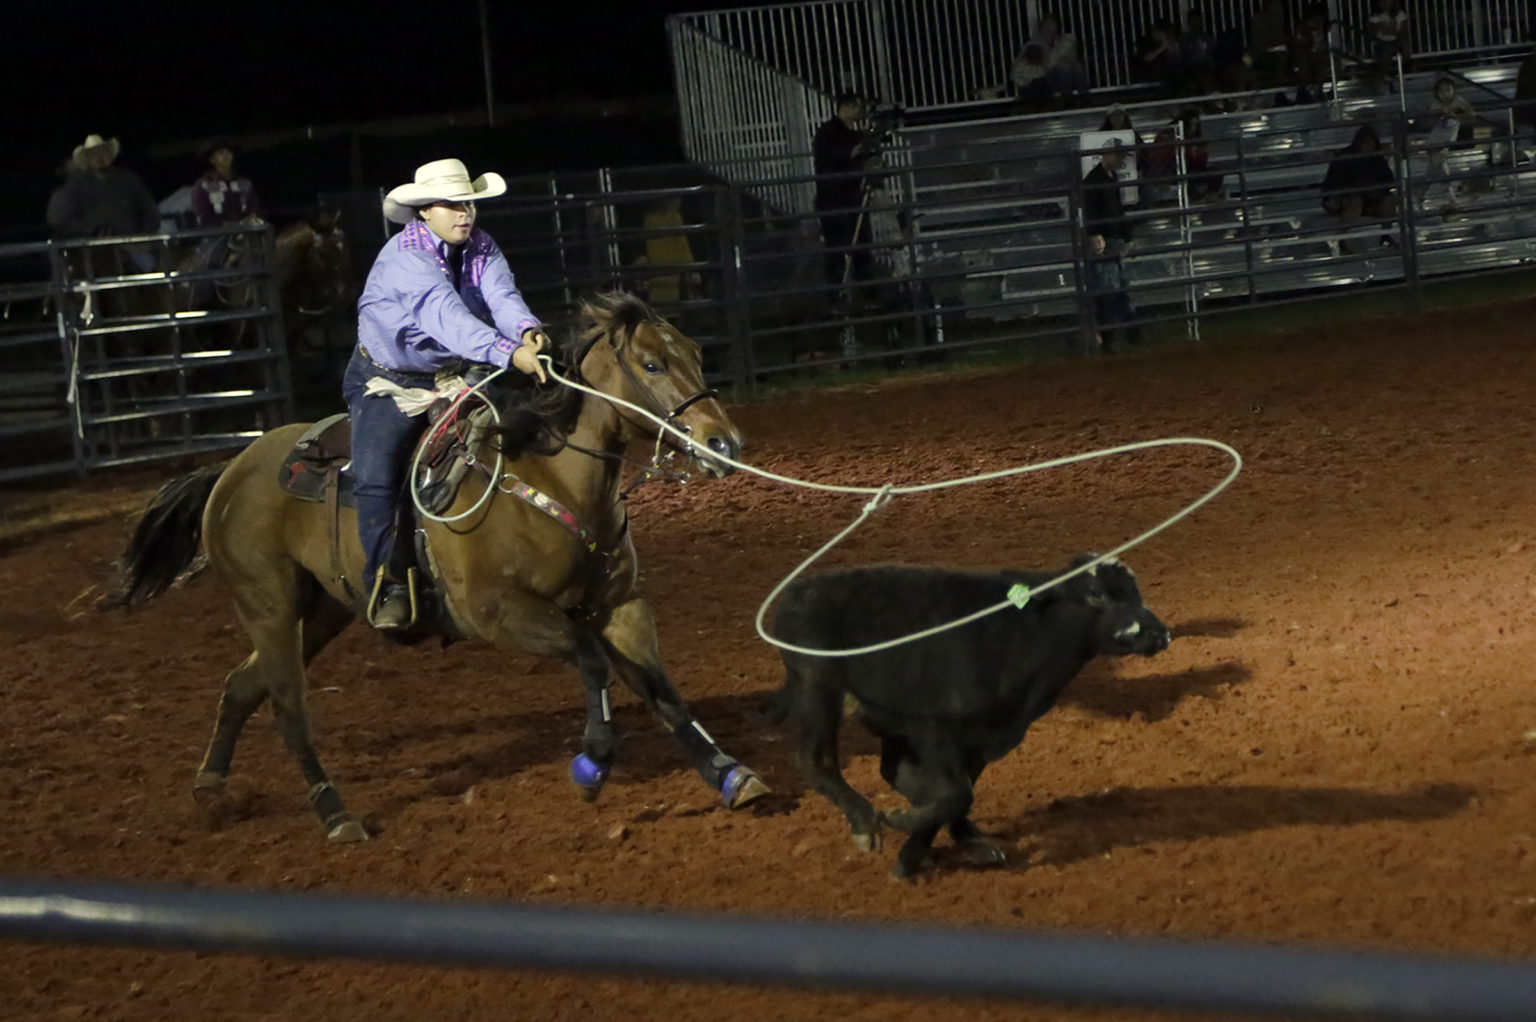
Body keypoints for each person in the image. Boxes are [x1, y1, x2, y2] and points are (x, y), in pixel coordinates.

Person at [348, 158, 551, 630]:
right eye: (452, 205)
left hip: (454, 371)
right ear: (424, 212)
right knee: (377, 477)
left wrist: (526, 331)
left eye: (468, 204)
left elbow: (501, 296)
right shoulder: (405, 260)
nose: (465, 213)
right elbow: (448, 320)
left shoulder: (481, 246)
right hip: (389, 381)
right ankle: (387, 582)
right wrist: (510, 354)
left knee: (517, 435)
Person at [812, 92, 876, 306]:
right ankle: (838, 297)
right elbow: (834, 156)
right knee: (838, 251)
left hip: (851, 197)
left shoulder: (850, 134)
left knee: (861, 248)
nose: (858, 111)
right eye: (854, 106)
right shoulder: (828, 133)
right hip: (835, 199)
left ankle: (865, 295)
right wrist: (857, 150)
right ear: (843, 107)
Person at [45, 134, 159, 245]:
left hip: (129, 243)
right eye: (94, 154)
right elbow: (64, 218)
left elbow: (149, 211)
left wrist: (141, 238)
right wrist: (89, 231)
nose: (99, 158)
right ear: (87, 160)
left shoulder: (129, 179)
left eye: (102, 152)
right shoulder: (76, 184)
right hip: (90, 247)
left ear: (109, 156)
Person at [1082, 141, 1140, 353]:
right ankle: (1115, 335)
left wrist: (1126, 235)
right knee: (1111, 288)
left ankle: (1123, 333)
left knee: (1116, 286)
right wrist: (1095, 236)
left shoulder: (1104, 179)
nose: (1120, 160)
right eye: (1118, 156)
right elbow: (1094, 212)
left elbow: (1115, 211)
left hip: (1110, 237)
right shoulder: (1094, 181)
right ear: (1107, 156)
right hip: (1105, 239)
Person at [1320, 125, 1399, 252]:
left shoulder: (1377, 160)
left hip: (1371, 201)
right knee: (1355, 201)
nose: (1368, 146)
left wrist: (1377, 192)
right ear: (1358, 142)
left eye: (1371, 143)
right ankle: (1341, 241)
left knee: (1389, 201)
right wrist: (1339, 197)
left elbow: (1389, 182)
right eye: (1365, 142)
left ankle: (1386, 236)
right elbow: (1332, 183)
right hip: (1346, 199)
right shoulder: (1344, 157)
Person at [191, 139, 262, 228]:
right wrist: (225, 225)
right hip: (216, 237)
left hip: (244, 234)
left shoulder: (244, 183)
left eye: (228, 152)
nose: (226, 156)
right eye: (220, 153)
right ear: (212, 160)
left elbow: (253, 206)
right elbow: (202, 216)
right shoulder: (204, 185)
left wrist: (253, 216)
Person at [1367, 0, 1410, 83]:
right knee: (1386, 51)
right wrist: (1380, 29)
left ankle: (1407, 67)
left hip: (1396, 40)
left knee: (1404, 43)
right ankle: (1386, 75)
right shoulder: (1375, 15)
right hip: (1381, 41)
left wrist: (1394, 32)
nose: (1385, 3)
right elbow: (1371, 31)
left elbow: (1404, 30)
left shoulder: (1399, 14)